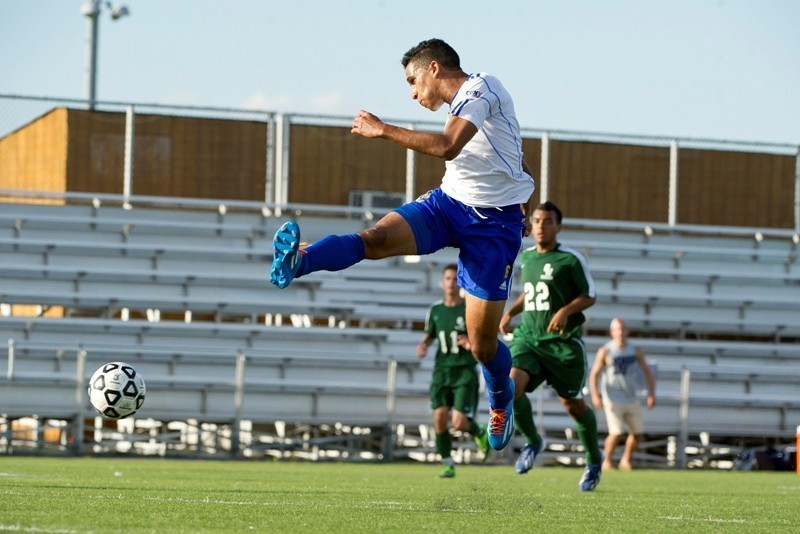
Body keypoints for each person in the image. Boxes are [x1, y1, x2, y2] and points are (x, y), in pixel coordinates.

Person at [270, 38, 535, 451]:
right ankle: (299, 262)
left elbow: (447, 147)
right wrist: (525, 195)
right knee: (374, 238)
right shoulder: (465, 107)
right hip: (449, 206)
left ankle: (501, 400)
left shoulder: (482, 88)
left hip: (494, 228)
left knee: (483, 346)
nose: (412, 93)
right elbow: (513, 156)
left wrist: (383, 130)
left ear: (434, 68)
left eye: (413, 81)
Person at [498, 201, 603, 492]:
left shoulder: (570, 259)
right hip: (529, 339)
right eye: (537, 221)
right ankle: (533, 442)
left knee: (574, 407)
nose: (541, 226)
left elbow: (589, 295)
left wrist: (565, 311)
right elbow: (532, 292)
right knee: (510, 388)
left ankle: (594, 461)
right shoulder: (527, 257)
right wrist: (511, 312)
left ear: (559, 227)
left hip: (562, 344)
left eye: (547, 221)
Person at [417, 263, 490, 478]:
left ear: (460, 282)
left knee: (459, 422)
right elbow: (431, 334)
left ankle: (480, 433)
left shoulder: (469, 308)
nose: (451, 283)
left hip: (464, 371)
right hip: (442, 371)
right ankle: (447, 463)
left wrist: (471, 343)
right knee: (439, 417)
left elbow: (483, 338)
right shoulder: (435, 310)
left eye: (455, 279)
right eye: (447, 279)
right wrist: (423, 345)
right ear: (442, 282)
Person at [589, 317, 656, 471]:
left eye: (623, 329)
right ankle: (607, 461)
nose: (620, 332)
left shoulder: (635, 350)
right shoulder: (606, 350)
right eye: (617, 329)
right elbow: (594, 374)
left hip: (631, 396)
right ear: (612, 332)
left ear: (627, 331)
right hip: (613, 398)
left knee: (637, 432)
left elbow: (647, 371)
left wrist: (651, 394)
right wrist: (595, 394)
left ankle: (626, 460)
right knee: (616, 432)